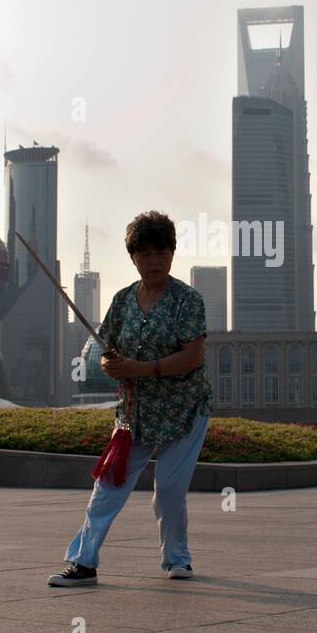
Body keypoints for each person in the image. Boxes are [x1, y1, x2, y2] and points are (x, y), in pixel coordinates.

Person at [48, 211, 213, 587]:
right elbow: (106, 350)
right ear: (133, 257)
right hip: (134, 416)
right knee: (108, 486)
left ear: (172, 253)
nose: (154, 260)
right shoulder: (122, 301)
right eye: (145, 253)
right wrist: (112, 363)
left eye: (161, 252)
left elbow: (193, 356)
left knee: (169, 488)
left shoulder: (188, 300)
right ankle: (82, 562)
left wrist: (141, 369)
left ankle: (177, 559)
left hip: (185, 411)